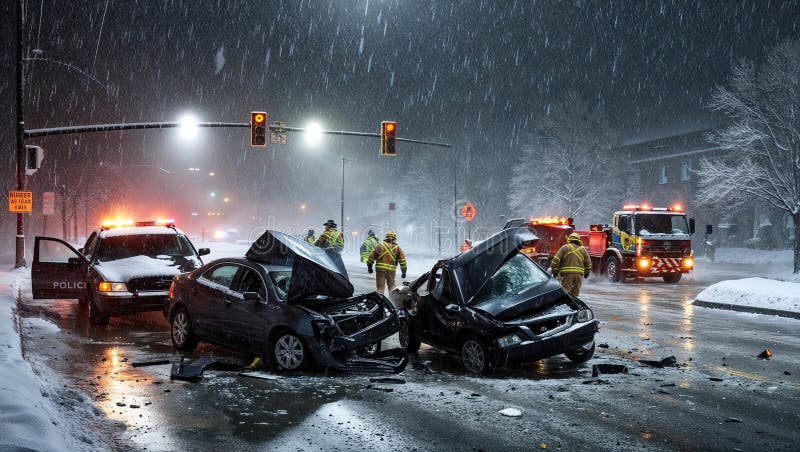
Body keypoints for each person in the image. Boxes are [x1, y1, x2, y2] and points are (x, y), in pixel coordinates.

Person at [550, 232, 591, 297]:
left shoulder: (565, 247)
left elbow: (556, 260)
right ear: (579, 240)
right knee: (575, 293)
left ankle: (566, 305)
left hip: (567, 275)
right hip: (579, 276)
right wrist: (587, 273)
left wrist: (555, 271)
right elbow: (588, 264)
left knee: (566, 292)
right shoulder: (583, 250)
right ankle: (574, 305)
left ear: (569, 239)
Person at [366, 230, 407, 295]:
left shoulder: (379, 245)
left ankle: (380, 301)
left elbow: (371, 256)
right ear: (394, 238)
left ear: (386, 237)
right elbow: (402, 261)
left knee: (380, 287)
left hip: (380, 270)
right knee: (392, 287)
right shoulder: (397, 248)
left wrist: (369, 266)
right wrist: (404, 272)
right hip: (391, 271)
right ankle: (392, 302)